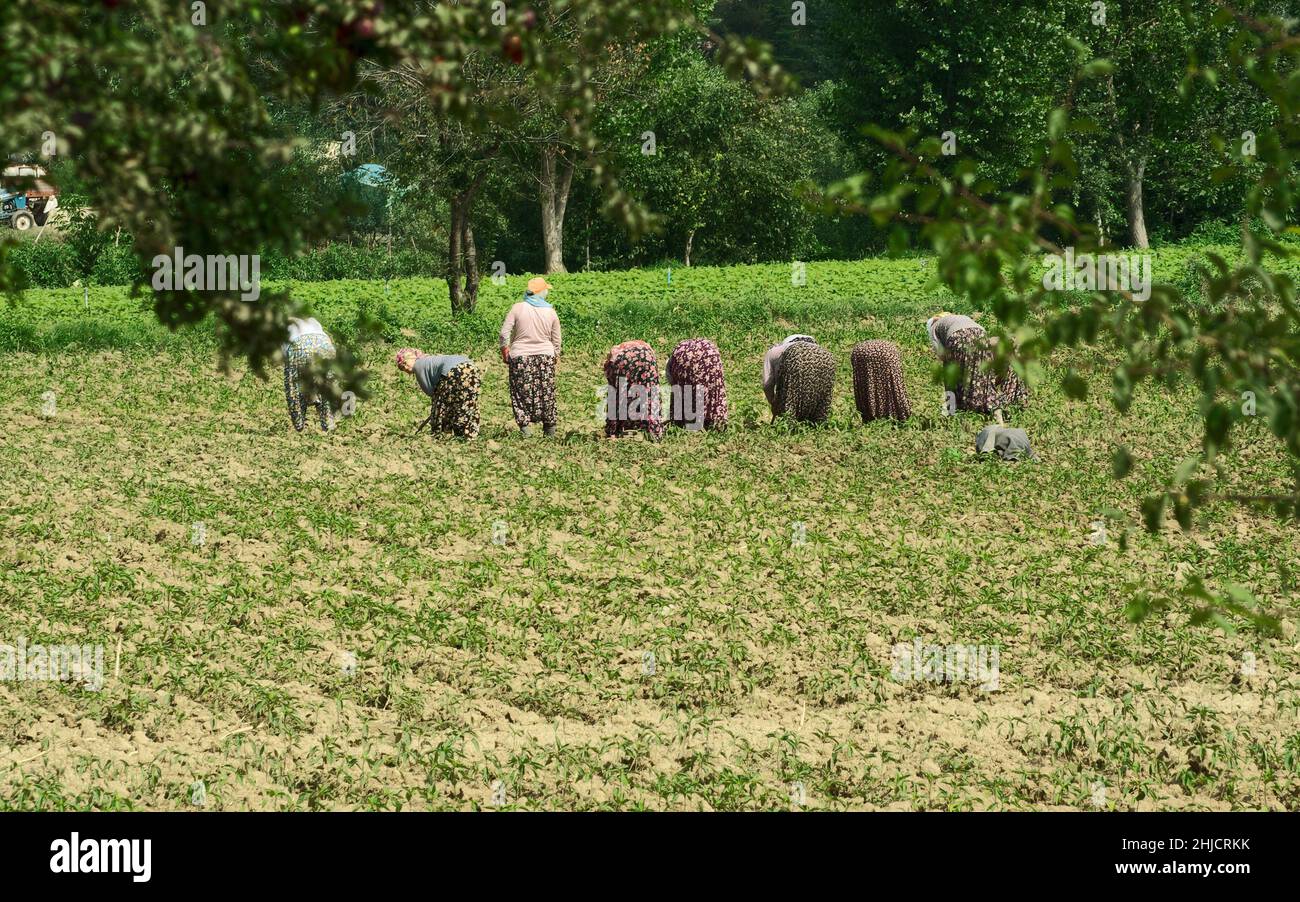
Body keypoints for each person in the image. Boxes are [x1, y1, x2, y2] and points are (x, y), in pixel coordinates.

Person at [925, 312, 1027, 414]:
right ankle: (989, 403)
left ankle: (956, 408)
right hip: (981, 333)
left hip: (958, 336)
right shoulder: (958, 318)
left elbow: (942, 355)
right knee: (980, 374)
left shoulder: (934, 327)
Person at [500, 276, 562, 437]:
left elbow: (504, 333)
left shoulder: (517, 308)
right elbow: (557, 339)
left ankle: (525, 429)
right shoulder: (550, 311)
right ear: (541, 292)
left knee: (520, 392)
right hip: (545, 356)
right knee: (546, 392)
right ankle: (549, 430)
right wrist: (555, 355)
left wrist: (505, 351)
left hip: (521, 357)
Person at [396, 347, 482, 440]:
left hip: (453, 371)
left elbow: (431, 392)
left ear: (413, 357)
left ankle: (440, 434)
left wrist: (437, 407)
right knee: (467, 402)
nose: (405, 368)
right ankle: (468, 435)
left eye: (405, 363)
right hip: (471, 367)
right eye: (401, 368)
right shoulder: (429, 360)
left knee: (441, 406)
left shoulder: (418, 365)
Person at [763, 334, 836, 423]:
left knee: (789, 398)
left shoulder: (774, 351)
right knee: (820, 397)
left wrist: (774, 403)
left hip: (796, 354)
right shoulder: (818, 349)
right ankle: (817, 423)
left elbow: (767, 385)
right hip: (826, 356)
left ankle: (790, 424)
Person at [283, 316, 336, 432]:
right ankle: (328, 423)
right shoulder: (312, 320)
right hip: (325, 345)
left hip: (298, 346)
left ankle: (299, 424)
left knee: (293, 387)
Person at [603, 340, 664, 440]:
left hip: (622, 360)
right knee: (650, 393)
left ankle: (614, 431)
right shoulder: (645, 347)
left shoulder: (612, 358)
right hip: (647, 356)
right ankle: (653, 430)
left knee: (617, 393)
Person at [666, 338, 728, 431]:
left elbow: (671, 379)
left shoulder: (679, 359)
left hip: (683, 357)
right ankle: (713, 419)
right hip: (708, 356)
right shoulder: (710, 354)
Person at [850, 339, 911, 423]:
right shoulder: (889, 350)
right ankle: (897, 415)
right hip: (886, 353)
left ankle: (871, 414)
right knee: (891, 381)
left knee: (868, 382)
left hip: (862, 354)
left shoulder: (860, 351)